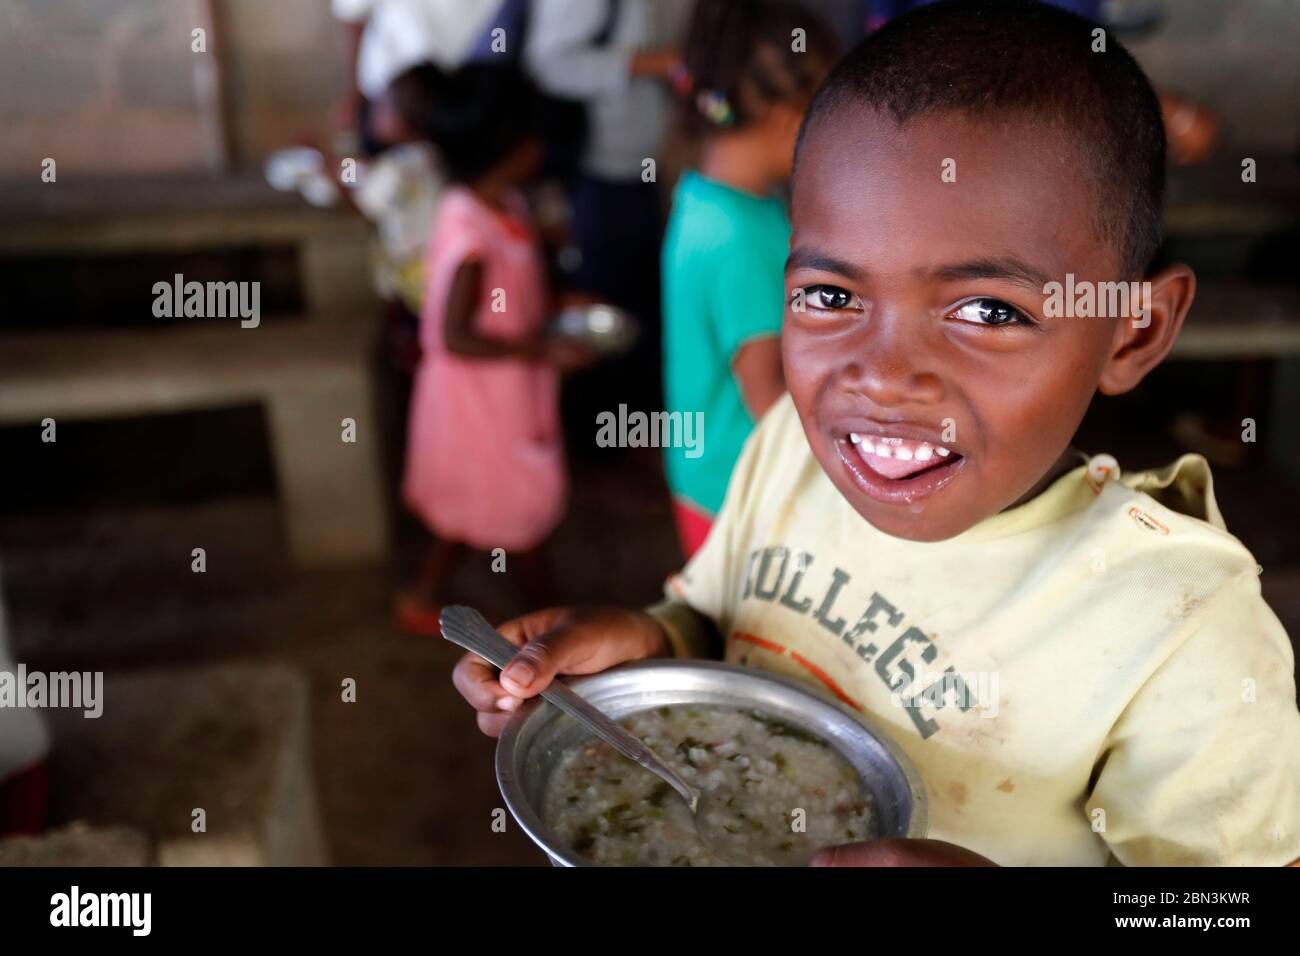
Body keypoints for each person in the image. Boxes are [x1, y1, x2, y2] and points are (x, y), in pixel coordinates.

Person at [452, 0, 1300, 866]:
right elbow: (724, 621)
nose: (884, 377)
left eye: (986, 310)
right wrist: (651, 644)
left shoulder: (1181, 629)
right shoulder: (786, 448)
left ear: (1134, 331)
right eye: (830, 297)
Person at [398, 65, 584, 635]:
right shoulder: (472, 234)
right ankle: (553, 626)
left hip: (501, 393)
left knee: (476, 500)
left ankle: (423, 596)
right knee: (516, 506)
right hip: (483, 399)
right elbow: (454, 336)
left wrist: (554, 307)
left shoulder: (502, 202)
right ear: (515, 149)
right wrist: (542, 346)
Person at [661, 0, 838, 558]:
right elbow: (770, 402)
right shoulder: (741, 239)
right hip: (740, 497)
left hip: (706, 478)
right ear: (791, 118)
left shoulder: (703, 196)